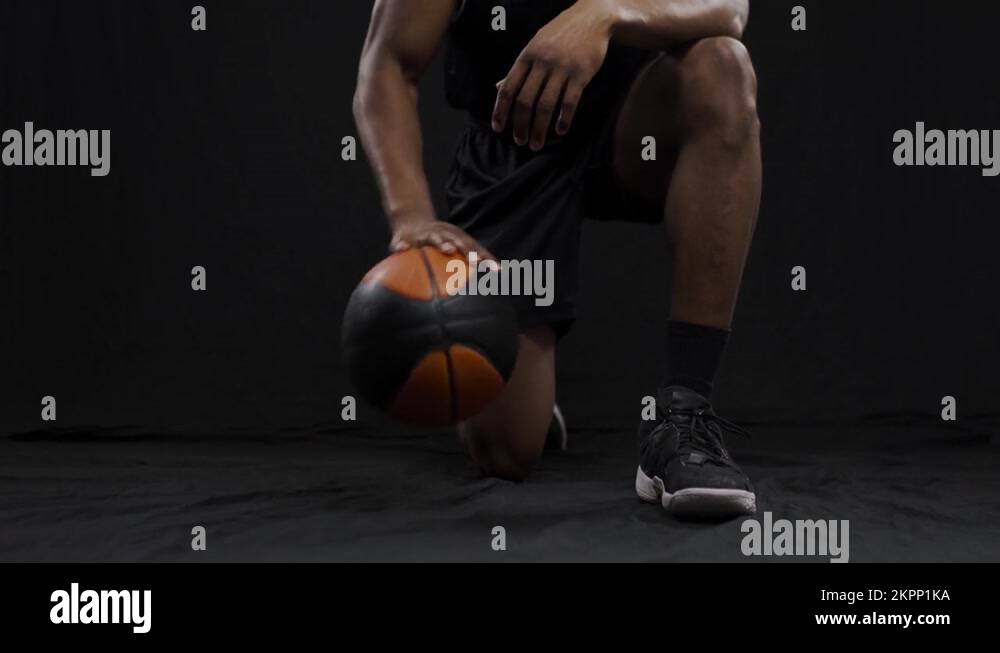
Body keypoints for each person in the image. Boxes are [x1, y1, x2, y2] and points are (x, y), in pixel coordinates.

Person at [354, 0, 761, 518]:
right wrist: (410, 215)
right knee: (505, 453)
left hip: (636, 130)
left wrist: (603, 13)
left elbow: (729, 8)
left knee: (722, 64)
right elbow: (387, 62)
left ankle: (683, 412)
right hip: (514, 146)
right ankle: (529, 394)